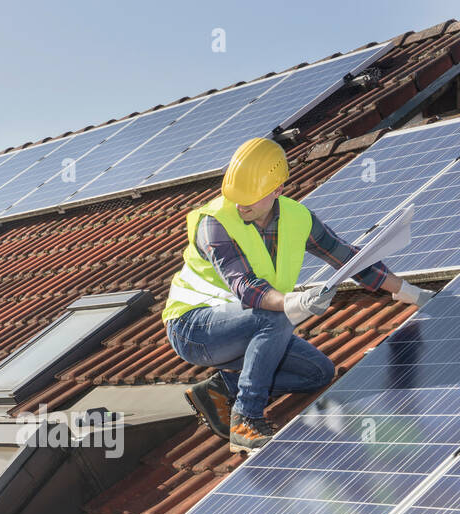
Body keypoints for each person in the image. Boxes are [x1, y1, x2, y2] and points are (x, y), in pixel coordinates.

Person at [163, 136, 437, 453]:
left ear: (278, 190)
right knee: (276, 317)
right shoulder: (214, 223)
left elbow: (349, 259)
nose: (241, 205)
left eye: (250, 198)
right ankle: (245, 419)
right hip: (192, 328)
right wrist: (293, 302)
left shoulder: (297, 218)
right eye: (236, 197)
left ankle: (221, 388)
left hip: (247, 325)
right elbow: (245, 287)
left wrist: (408, 292)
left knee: (318, 373)